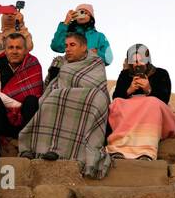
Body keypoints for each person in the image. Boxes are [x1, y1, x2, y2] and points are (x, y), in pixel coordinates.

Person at [19, 30, 113, 177]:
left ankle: (74, 152)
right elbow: (49, 86)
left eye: (72, 45)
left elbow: (97, 86)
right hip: (61, 98)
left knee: (95, 98)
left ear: (84, 47)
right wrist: (54, 73)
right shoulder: (60, 63)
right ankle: (51, 149)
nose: (67, 49)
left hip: (85, 100)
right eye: (66, 45)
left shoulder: (95, 62)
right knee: (53, 97)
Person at [108, 45, 175, 160]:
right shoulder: (125, 75)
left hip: (153, 109)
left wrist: (148, 89)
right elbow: (116, 97)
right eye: (134, 61)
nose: (137, 64)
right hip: (130, 109)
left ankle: (146, 151)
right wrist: (129, 89)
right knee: (117, 104)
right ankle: (119, 149)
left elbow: (164, 99)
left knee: (151, 103)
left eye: (141, 60)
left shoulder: (161, 73)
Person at [0, 31, 44, 150]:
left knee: (32, 101)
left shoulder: (33, 64)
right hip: (3, 118)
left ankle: (29, 149)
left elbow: (37, 95)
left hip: (26, 119)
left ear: (25, 50)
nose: (14, 51)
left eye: (18, 48)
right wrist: (19, 105)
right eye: (11, 47)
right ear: (5, 50)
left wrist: (22, 105)